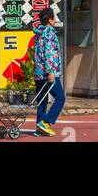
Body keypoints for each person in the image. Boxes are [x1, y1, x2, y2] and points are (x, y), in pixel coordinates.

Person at [33, 8, 65, 137]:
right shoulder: (50, 33)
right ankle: (46, 122)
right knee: (60, 98)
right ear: (50, 20)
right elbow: (50, 53)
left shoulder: (38, 33)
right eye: (54, 18)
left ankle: (39, 127)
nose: (56, 20)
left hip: (39, 72)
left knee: (42, 100)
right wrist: (51, 71)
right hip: (48, 72)